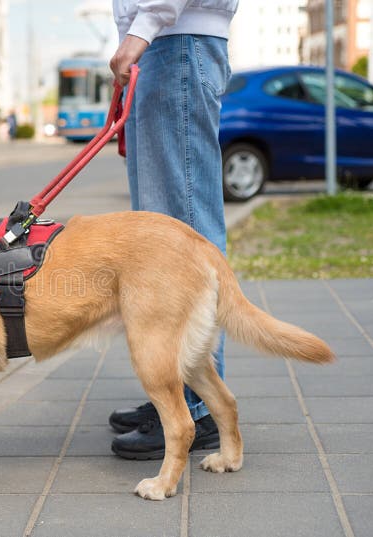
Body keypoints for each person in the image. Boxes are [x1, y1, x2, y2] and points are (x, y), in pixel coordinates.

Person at [107, 0, 239, 460]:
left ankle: (195, 409)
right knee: (160, 236)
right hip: (165, 43)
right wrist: (136, 39)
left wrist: (140, 30)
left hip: (177, 39)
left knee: (182, 235)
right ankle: (176, 393)